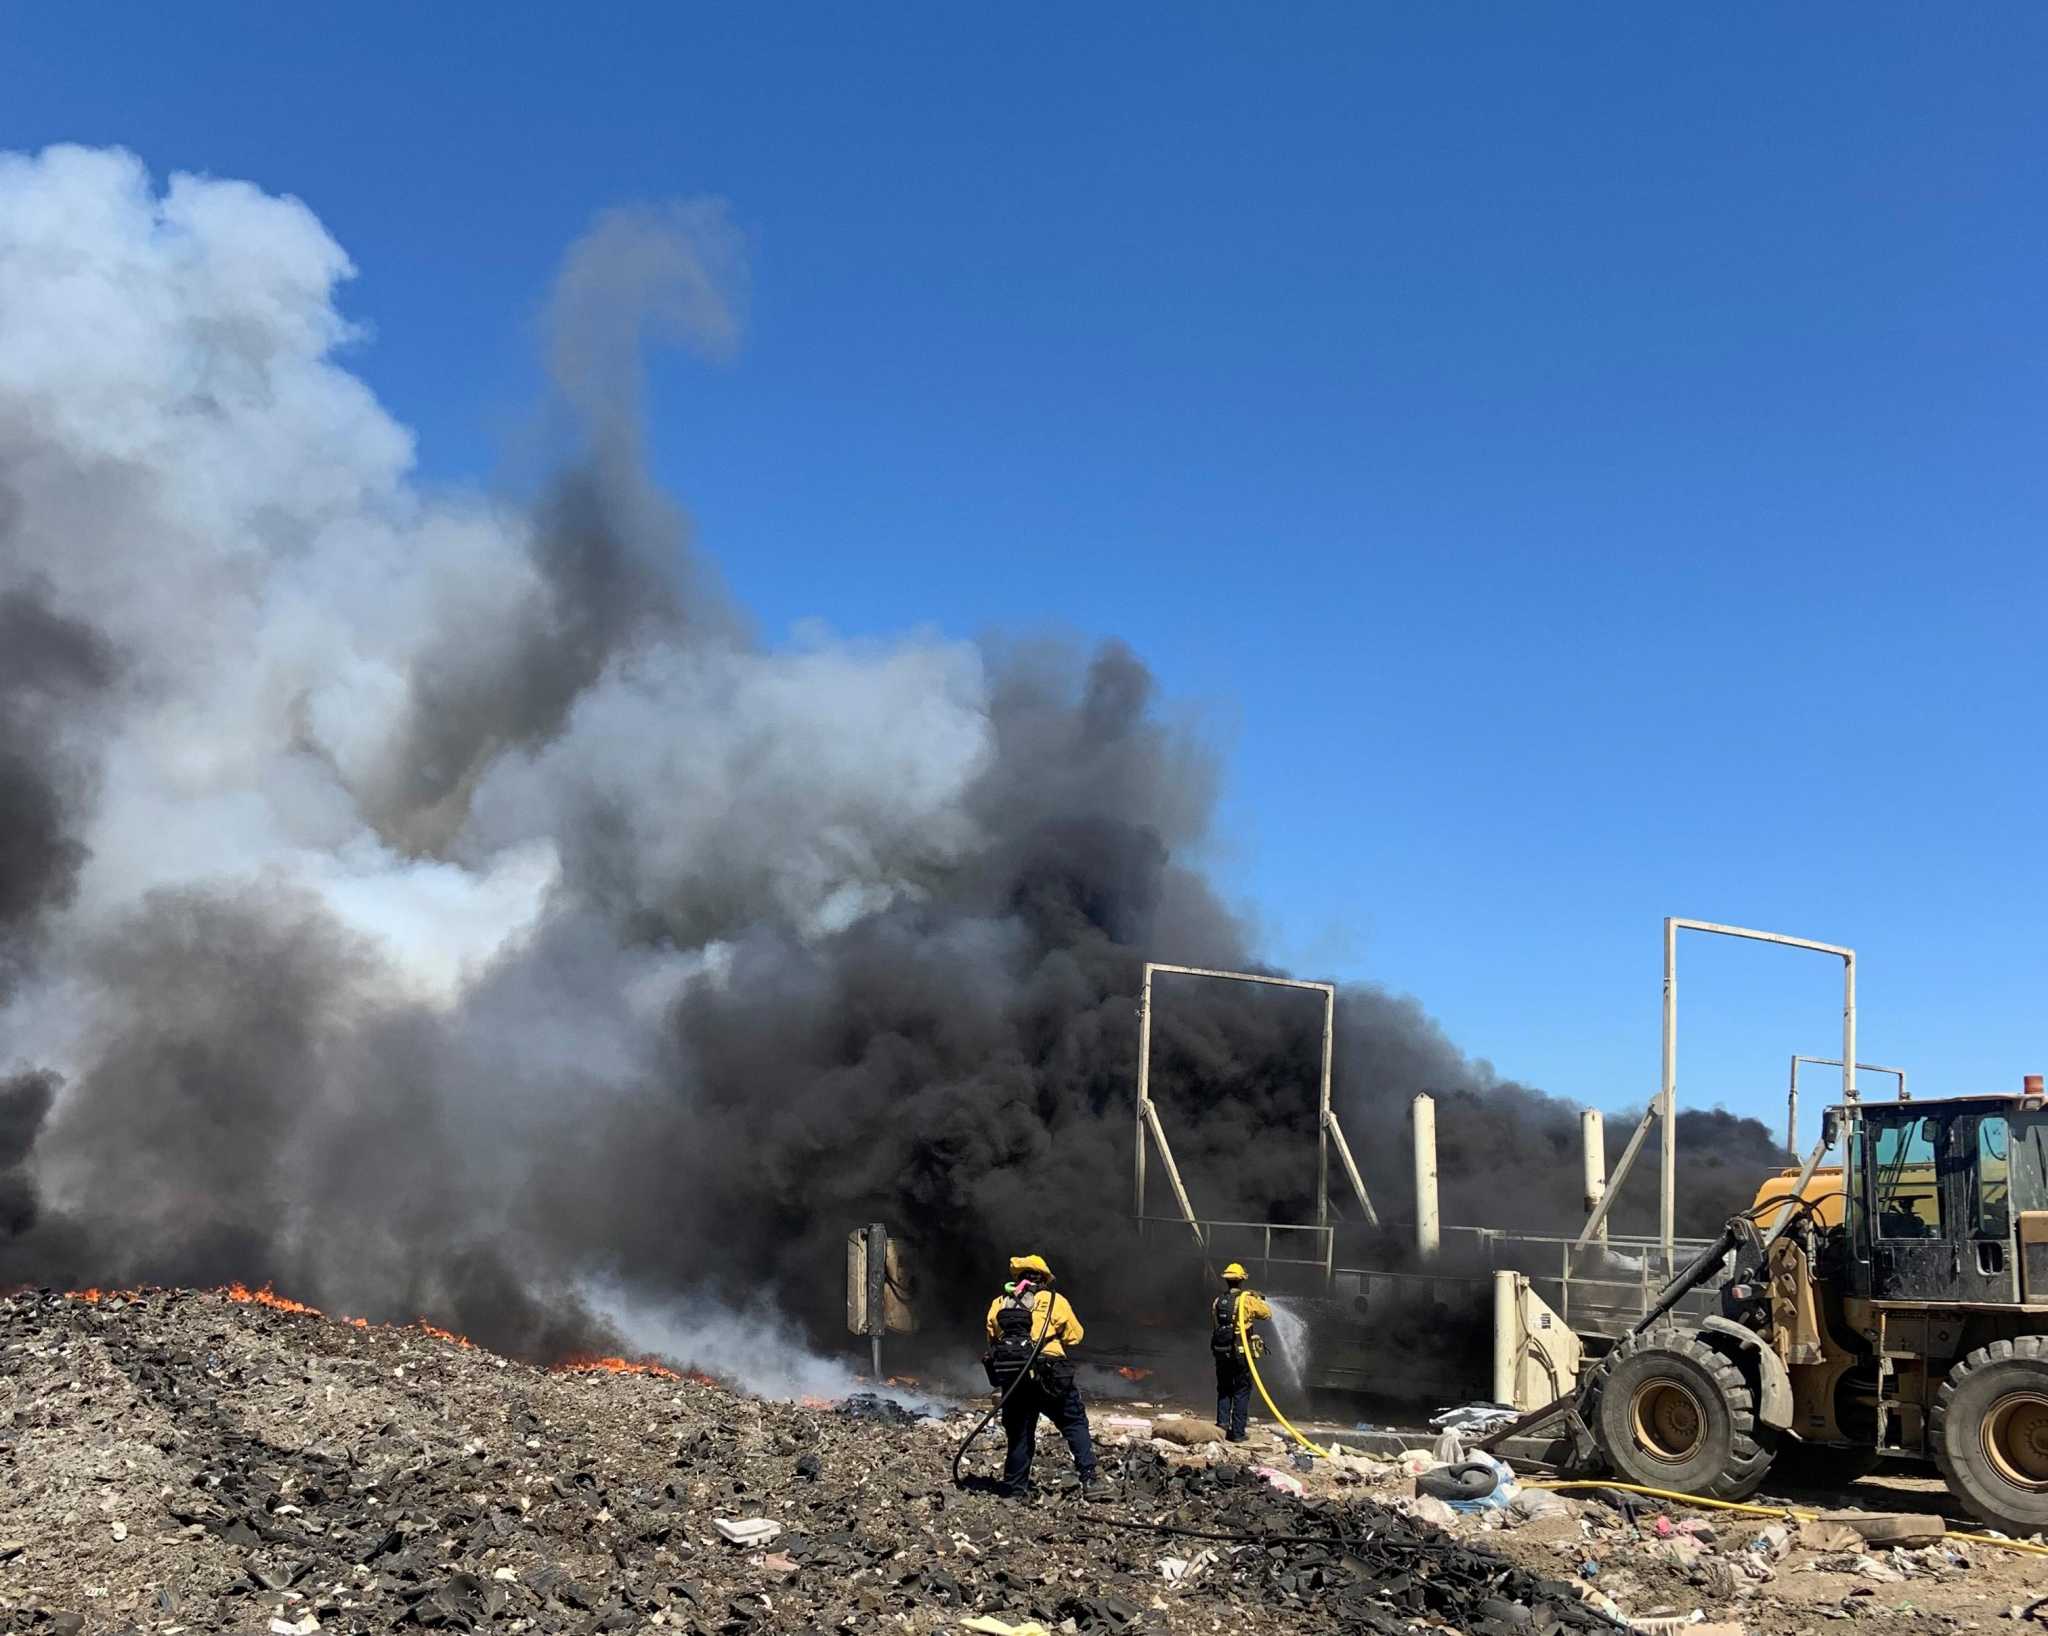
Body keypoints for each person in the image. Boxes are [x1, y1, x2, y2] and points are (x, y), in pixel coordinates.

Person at [982, 1253, 1097, 1494]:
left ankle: (1014, 1489)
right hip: (1050, 1374)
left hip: (1015, 1377)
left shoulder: (1000, 1303)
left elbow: (992, 1340)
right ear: (1044, 1278)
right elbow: (1075, 1336)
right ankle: (1090, 1479)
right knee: (1073, 1421)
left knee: (1020, 1433)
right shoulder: (1056, 1301)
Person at [1210, 1262, 1272, 1443]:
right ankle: (1237, 1433)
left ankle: (1221, 1429)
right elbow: (1267, 1314)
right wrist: (1256, 1298)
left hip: (1221, 1352)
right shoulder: (1248, 1300)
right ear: (1242, 1280)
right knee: (1242, 1391)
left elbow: (1215, 1324)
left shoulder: (1217, 1301)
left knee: (1224, 1389)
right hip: (1241, 1354)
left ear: (1227, 1281)